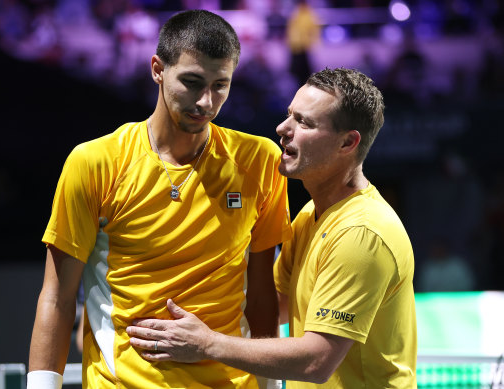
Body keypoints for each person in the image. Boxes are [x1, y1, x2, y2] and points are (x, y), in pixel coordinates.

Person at [27, 9, 292, 389]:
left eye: (220, 85)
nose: (205, 102)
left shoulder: (260, 160)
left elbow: (262, 290)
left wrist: (271, 383)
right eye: (192, 81)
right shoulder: (95, 163)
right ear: (157, 69)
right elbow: (56, 297)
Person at [126, 68, 418, 388]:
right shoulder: (310, 215)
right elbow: (271, 306)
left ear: (348, 142)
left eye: (303, 122)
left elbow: (316, 360)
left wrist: (207, 344)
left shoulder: (362, 233)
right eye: (289, 115)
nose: (282, 128)